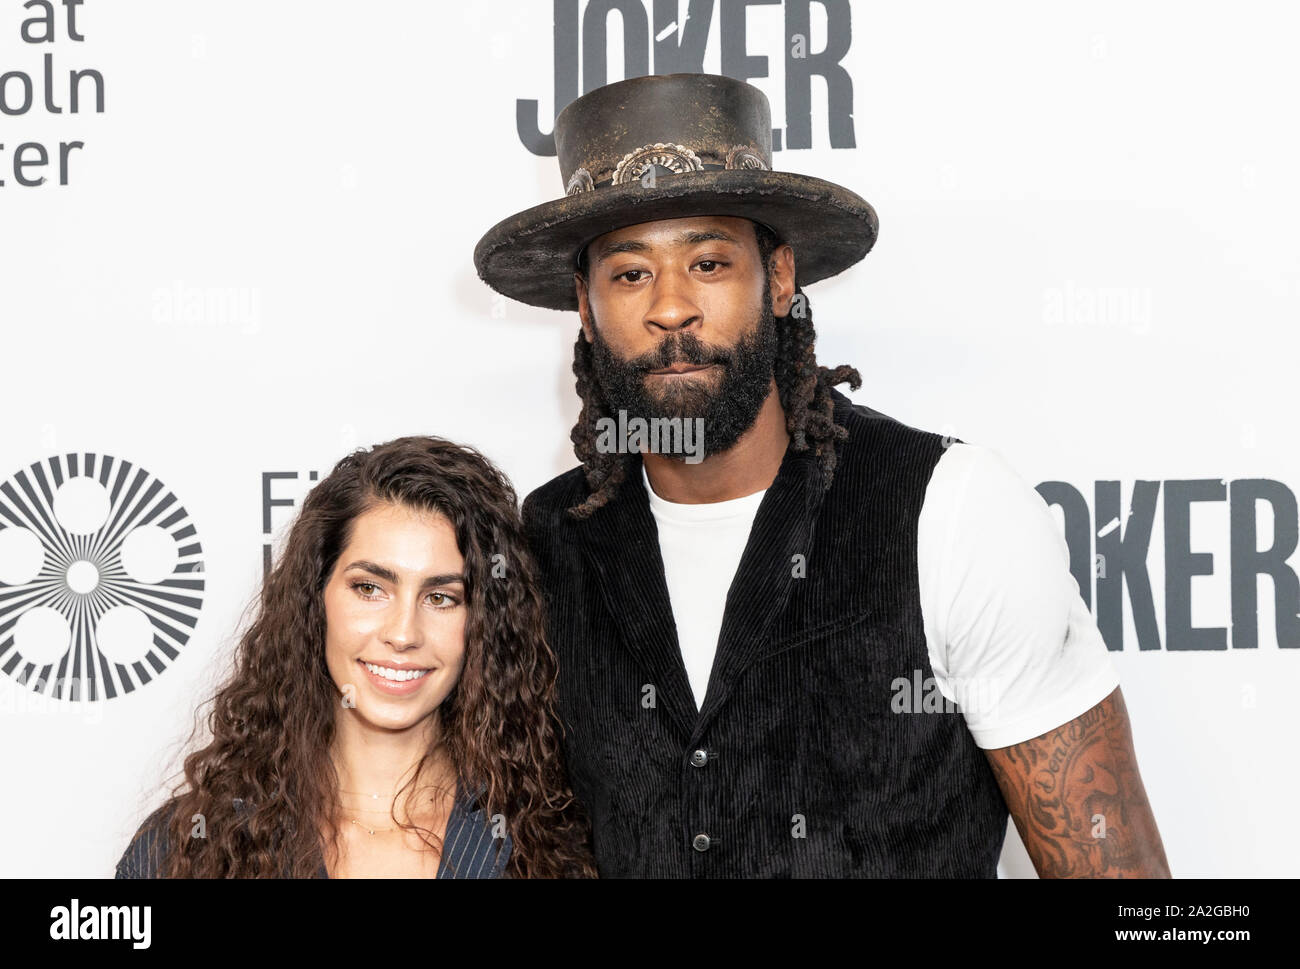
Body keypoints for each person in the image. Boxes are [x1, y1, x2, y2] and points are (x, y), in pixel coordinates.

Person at [474, 72, 1171, 877]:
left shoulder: (950, 512)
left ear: (778, 280)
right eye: (630, 274)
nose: (670, 307)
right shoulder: (547, 542)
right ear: (587, 308)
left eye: (708, 262)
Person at [115, 436, 595, 878]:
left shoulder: (544, 847)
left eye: (442, 597)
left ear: (484, 623)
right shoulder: (181, 848)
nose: (403, 633)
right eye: (370, 588)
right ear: (314, 600)